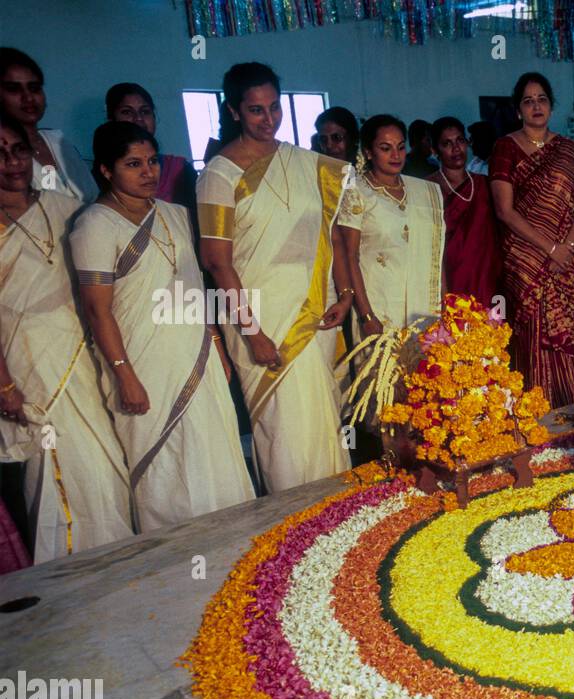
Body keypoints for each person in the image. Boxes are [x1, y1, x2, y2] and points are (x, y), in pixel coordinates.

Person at [70, 121, 253, 531]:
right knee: (163, 465)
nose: (148, 171)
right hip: (142, 363)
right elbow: (99, 311)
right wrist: (124, 375)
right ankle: (174, 559)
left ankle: (232, 546)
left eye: (152, 161)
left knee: (213, 451)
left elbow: (193, 287)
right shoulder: (94, 225)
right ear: (105, 170)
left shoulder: (176, 214)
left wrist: (218, 346)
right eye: (133, 164)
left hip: (196, 354)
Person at [197, 62, 353, 493]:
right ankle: (290, 530)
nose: (268, 120)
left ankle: (334, 515)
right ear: (233, 113)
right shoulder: (218, 175)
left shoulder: (308, 165)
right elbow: (216, 262)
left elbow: (332, 235)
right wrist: (252, 333)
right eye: (255, 111)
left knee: (322, 421)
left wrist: (345, 294)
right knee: (283, 433)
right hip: (261, 319)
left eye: (274, 108)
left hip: (315, 312)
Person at [0, 112, 132, 561]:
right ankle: (71, 579)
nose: (12, 162)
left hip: (83, 353)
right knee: (62, 472)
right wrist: (4, 385)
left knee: (107, 466)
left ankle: (117, 565)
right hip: (30, 366)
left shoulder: (64, 208)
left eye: (18, 150)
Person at [489, 72, 574, 407]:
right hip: (526, 262)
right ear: (518, 109)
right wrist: (550, 248)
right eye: (528, 100)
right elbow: (505, 211)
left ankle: (571, 424)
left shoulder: (571, 152)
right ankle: (535, 425)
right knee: (533, 340)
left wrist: (567, 249)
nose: (536, 106)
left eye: (542, 99)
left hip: (565, 263)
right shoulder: (505, 147)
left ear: (551, 105)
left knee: (565, 347)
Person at [338, 114, 445, 343]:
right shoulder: (356, 192)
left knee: (427, 376)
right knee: (382, 375)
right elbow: (349, 256)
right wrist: (367, 315)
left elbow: (436, 254)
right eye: (386, 148)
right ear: (368, 152)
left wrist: (444, 305)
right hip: (379, 306)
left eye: (400, 147)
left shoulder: (424, 191)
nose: (396, 155)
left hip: (423, 308)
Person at [0, 48, 96, 201]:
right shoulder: (4, 155)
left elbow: (86, 195)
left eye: (34, 88)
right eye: (14, 89)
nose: (28, 97)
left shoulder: (57, 141)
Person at [429, 116, 500, 309]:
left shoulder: (485, 184)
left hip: (487, 280)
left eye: (460, 140)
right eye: (447, 143)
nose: (456, 148)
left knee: (493, 334)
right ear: (435, 150)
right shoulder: (427, 189)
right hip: (449, 280)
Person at [105, 83, 198, 212]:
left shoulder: (179, 170)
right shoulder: (103, 174)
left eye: (145, 112)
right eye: (127, 112)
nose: (138, 119)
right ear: (111, 119)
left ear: (154, 118)